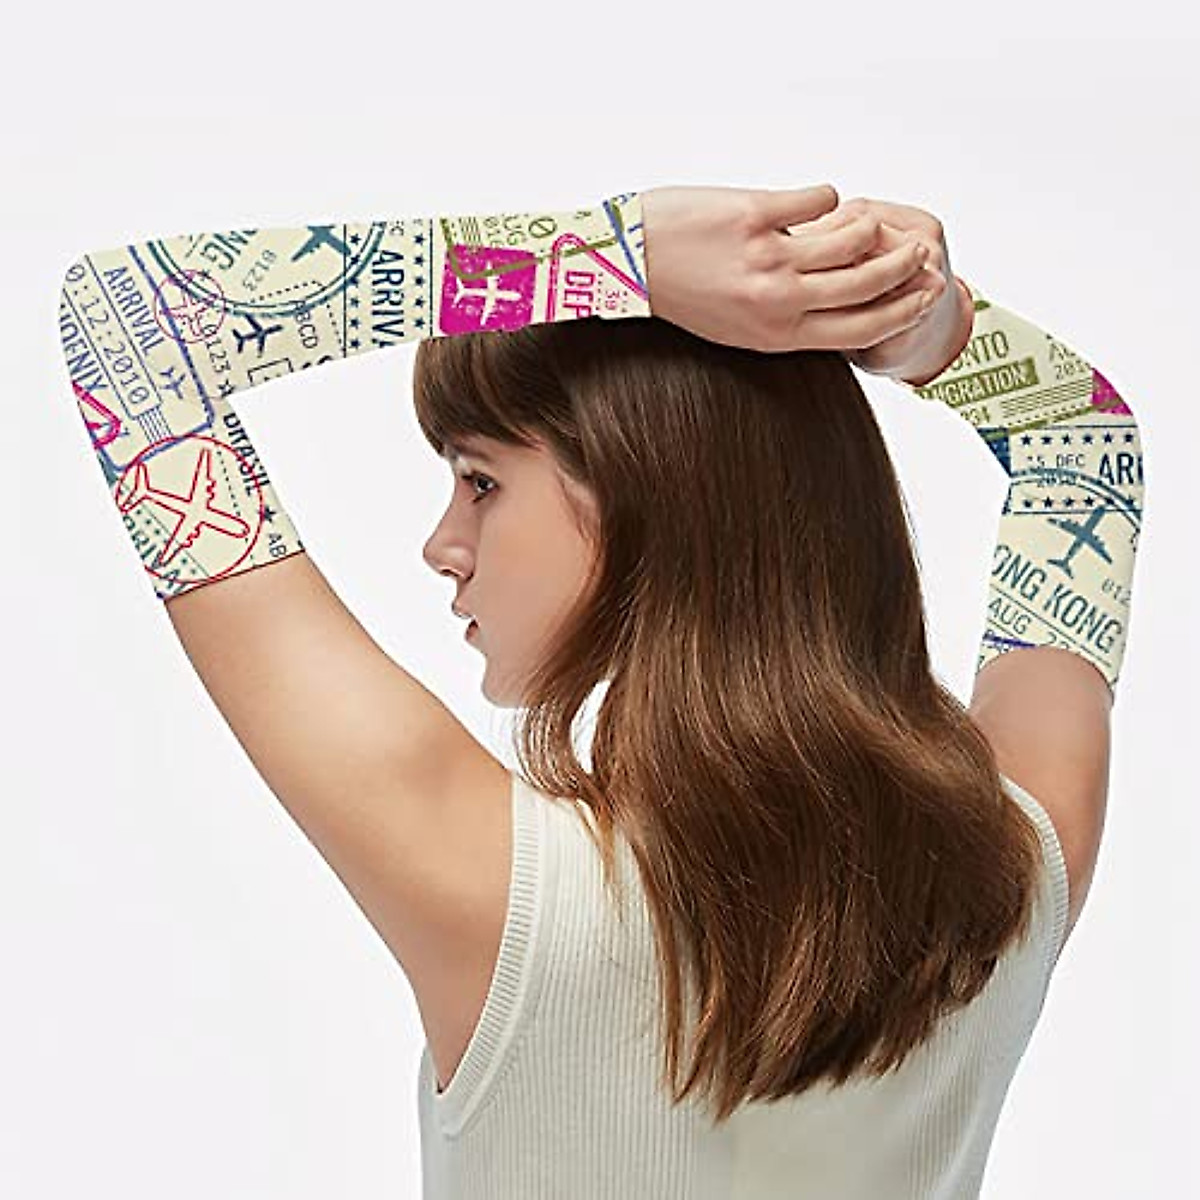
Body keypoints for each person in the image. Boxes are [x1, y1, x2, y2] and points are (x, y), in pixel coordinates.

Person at [57, 182, 1141, 1197]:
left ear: (653, 494)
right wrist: (923, 326)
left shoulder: (493, 886)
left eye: (481, 480)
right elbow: (1078, 446)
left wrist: (621, 255)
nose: (443, 544)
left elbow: (129, 319)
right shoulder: (1021, 865)